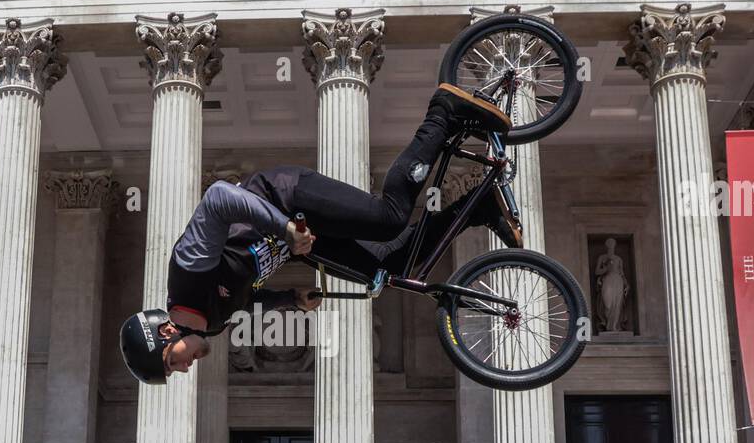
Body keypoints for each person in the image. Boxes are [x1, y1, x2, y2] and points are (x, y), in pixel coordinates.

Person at [120, 84, 516, 384]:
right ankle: (479, 207)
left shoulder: (187, 272)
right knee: (389, 268)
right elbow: (245, 299)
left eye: (171, 362)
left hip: (289, 199)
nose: (183, 369)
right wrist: (291, 298)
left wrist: (286, 229)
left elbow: (219, 198)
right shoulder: (209, 323)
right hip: (300, 242)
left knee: (389, 219)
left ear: (166, 332)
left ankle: (443, 112)